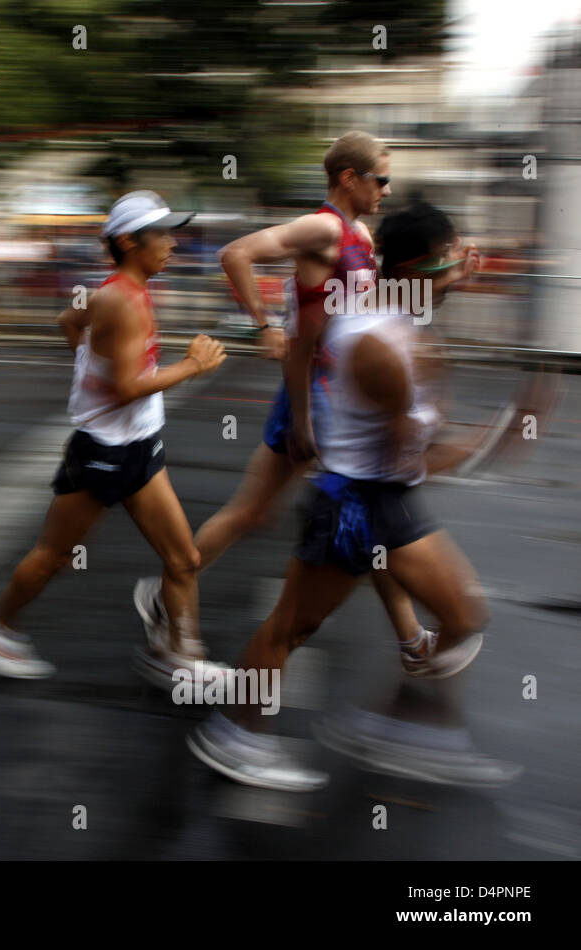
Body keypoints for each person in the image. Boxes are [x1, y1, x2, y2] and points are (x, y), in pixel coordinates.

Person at [187, 200, 494, 791]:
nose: (457, 265)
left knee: (461, 617)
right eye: (448, 257)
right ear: (412, 267)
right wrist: (499, 437)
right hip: (357, 507)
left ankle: (396, 724)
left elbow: (419, 301)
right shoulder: (379, 345)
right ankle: (234, 734)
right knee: (289, 630)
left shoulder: (393, 307)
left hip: (389, 501)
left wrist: (455, 276)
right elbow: (422, 456)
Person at [144, 131, 436, 673]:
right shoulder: (322, 228)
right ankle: (412, 641)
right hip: (314, 397)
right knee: (362, 506)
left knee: (268, 512)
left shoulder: (361, 235)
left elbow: (358, 308)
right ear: (349, 178)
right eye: (382, 179)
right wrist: (264, 326)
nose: (388, 189)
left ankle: (168, 596)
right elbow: (237, 254)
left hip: (336, 395)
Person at [0, 191, 228, 682]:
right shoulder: (120, 300)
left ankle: (178, 657)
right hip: (101, 455)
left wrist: (89, 369)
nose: (174, 243)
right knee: (54, 557)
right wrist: (192, 366)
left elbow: (70, 320)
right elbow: (128, 387)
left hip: (139, 448)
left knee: (184, 559)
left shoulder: (116, 290)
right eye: (163, 235)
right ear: (129, 241)